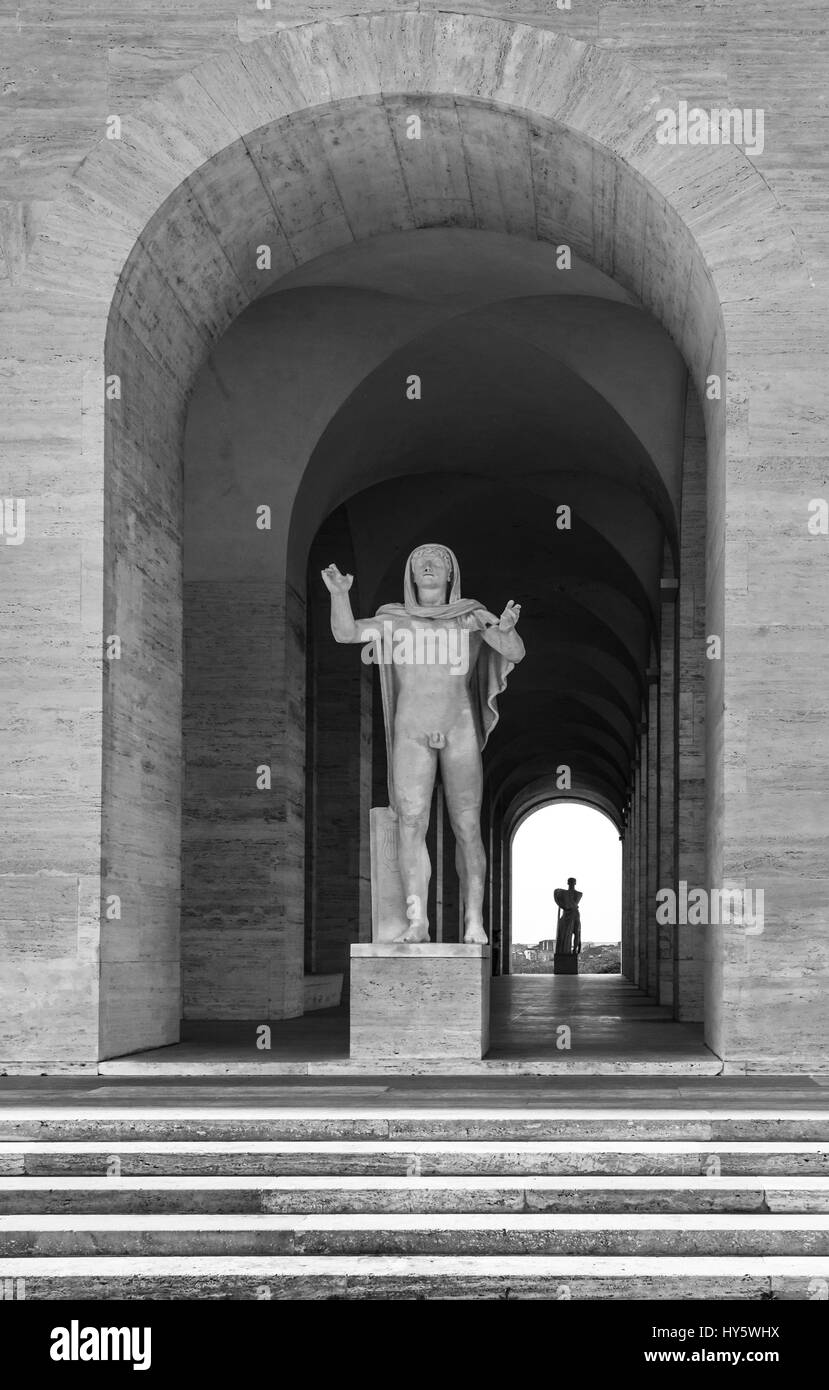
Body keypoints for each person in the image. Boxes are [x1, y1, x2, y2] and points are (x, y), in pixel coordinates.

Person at [322, 543, 525, 943]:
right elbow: (345, 633)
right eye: (420, 562)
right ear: (411, 575)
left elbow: (515, 651)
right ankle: (418, 921)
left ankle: (473, 919)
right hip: (412, 731)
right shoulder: (393, 620)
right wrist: (339, 594)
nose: (429, 566)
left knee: (466, 826)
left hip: (458, 727)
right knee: (411, 825)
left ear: (452, 573)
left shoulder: (469, 616)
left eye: (439, 561)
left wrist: (504, 629)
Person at [554, 877, 583, 955]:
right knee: (568, 933)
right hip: (569, 914)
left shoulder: (578, 894)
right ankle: (569, 950)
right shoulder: (565, 893)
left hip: (572, 914)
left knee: (576, 932)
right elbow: (558, 897)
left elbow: (558, 895)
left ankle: (574, 951)